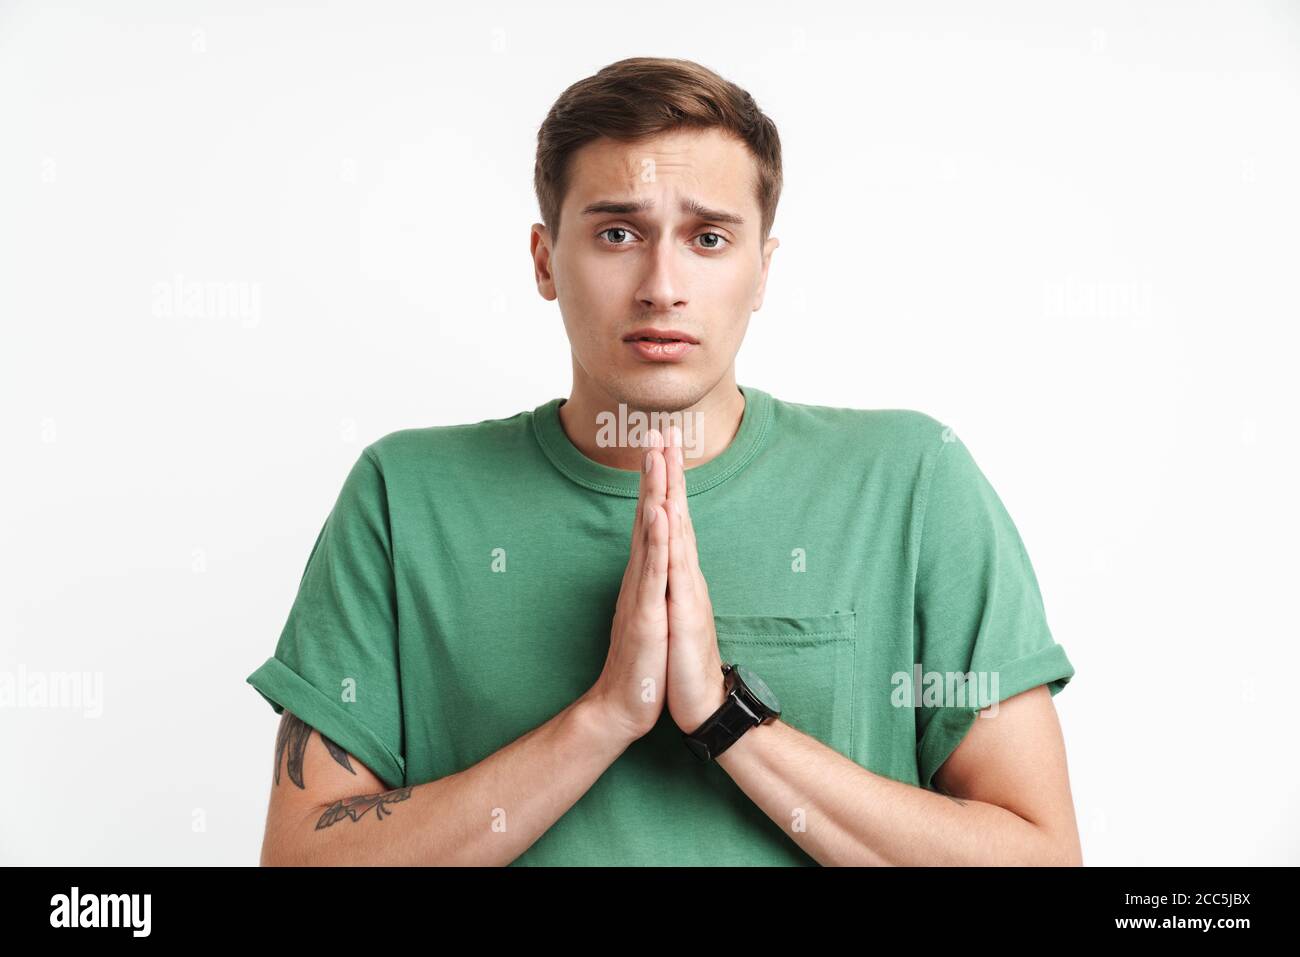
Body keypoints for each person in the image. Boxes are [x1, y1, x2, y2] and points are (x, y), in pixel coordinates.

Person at [247, 56, 1080, 866]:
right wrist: (606, 714)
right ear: (544, 260)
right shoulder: (404, 496)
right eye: (618, 232)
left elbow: (1041, 856)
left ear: (762, 269)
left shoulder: (911, 481)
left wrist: (726, 718)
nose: (662, 285)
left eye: (709, 238)